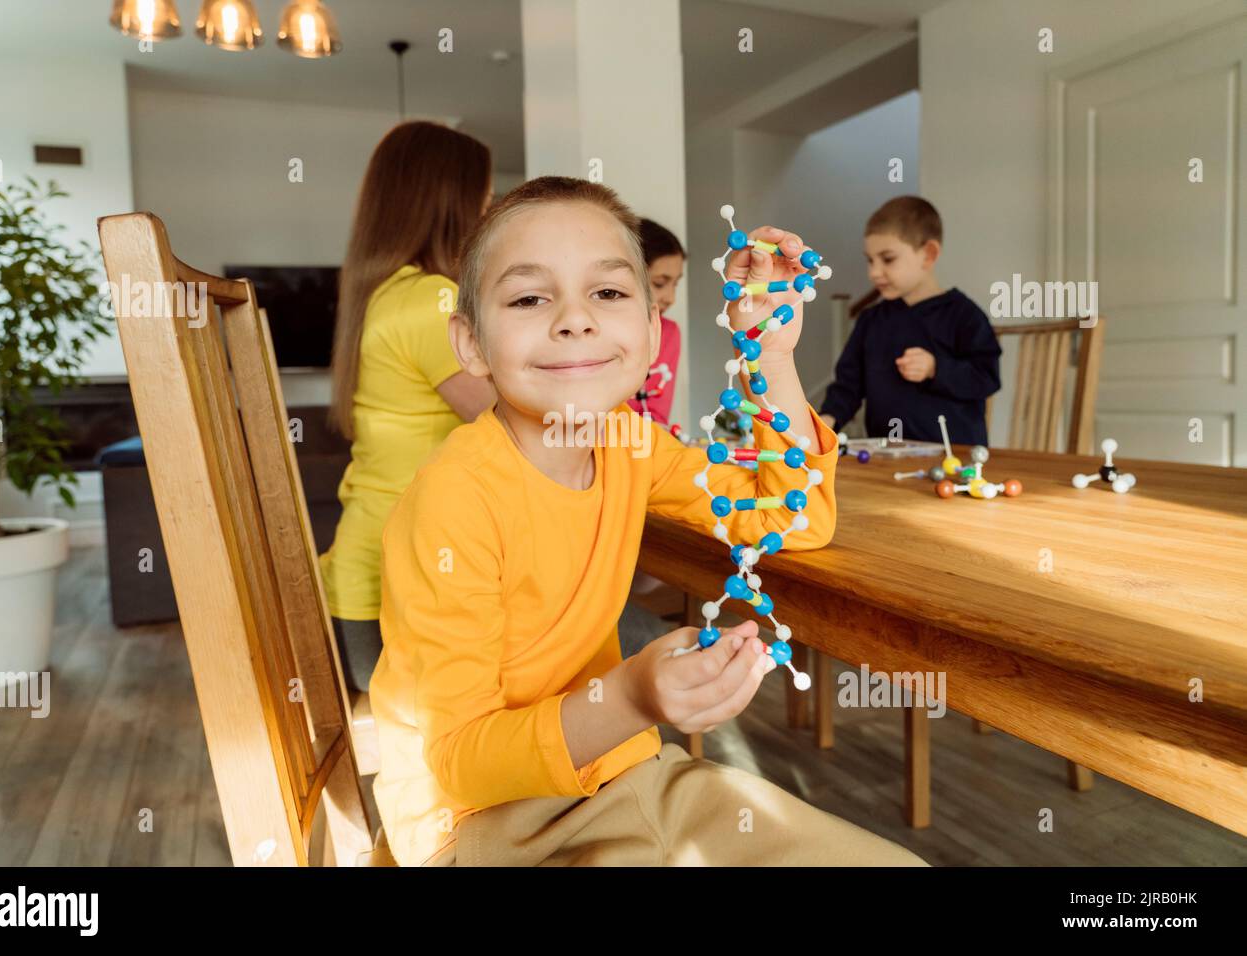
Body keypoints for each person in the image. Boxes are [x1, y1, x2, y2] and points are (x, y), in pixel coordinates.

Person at [368, 175, 927, 868]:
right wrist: (631, 696)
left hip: (625, 775)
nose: (577, 319)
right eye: (529, 297)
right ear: (471, 343)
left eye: (608, 292)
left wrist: (772, 356)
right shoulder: (453, 502)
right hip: (477, 828)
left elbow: (791, 516)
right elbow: (460, 763)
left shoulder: (631, 445)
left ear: (651, 326)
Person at [320, 121, 496, 692]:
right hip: (392, 603)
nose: (493, 214)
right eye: (487, 199)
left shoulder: (393, 291)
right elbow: (518, 424)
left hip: (370, 581)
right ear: (454, 204)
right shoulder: (432, 301)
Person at [819, 196, 1000, 445]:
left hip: (954, 457)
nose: (874, 272)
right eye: (870, 260)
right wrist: (827, 421)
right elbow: (847, 386)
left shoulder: (964, 316)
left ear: (928, 255)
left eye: (888, 259)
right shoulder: (870, 320)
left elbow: (986, 378)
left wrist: (936, 368)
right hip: (885, 457)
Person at [626, 218, 683, 426]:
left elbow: (657, 419)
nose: (670, 298)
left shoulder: (668, 332)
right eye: (660, 283)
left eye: (675, 284)